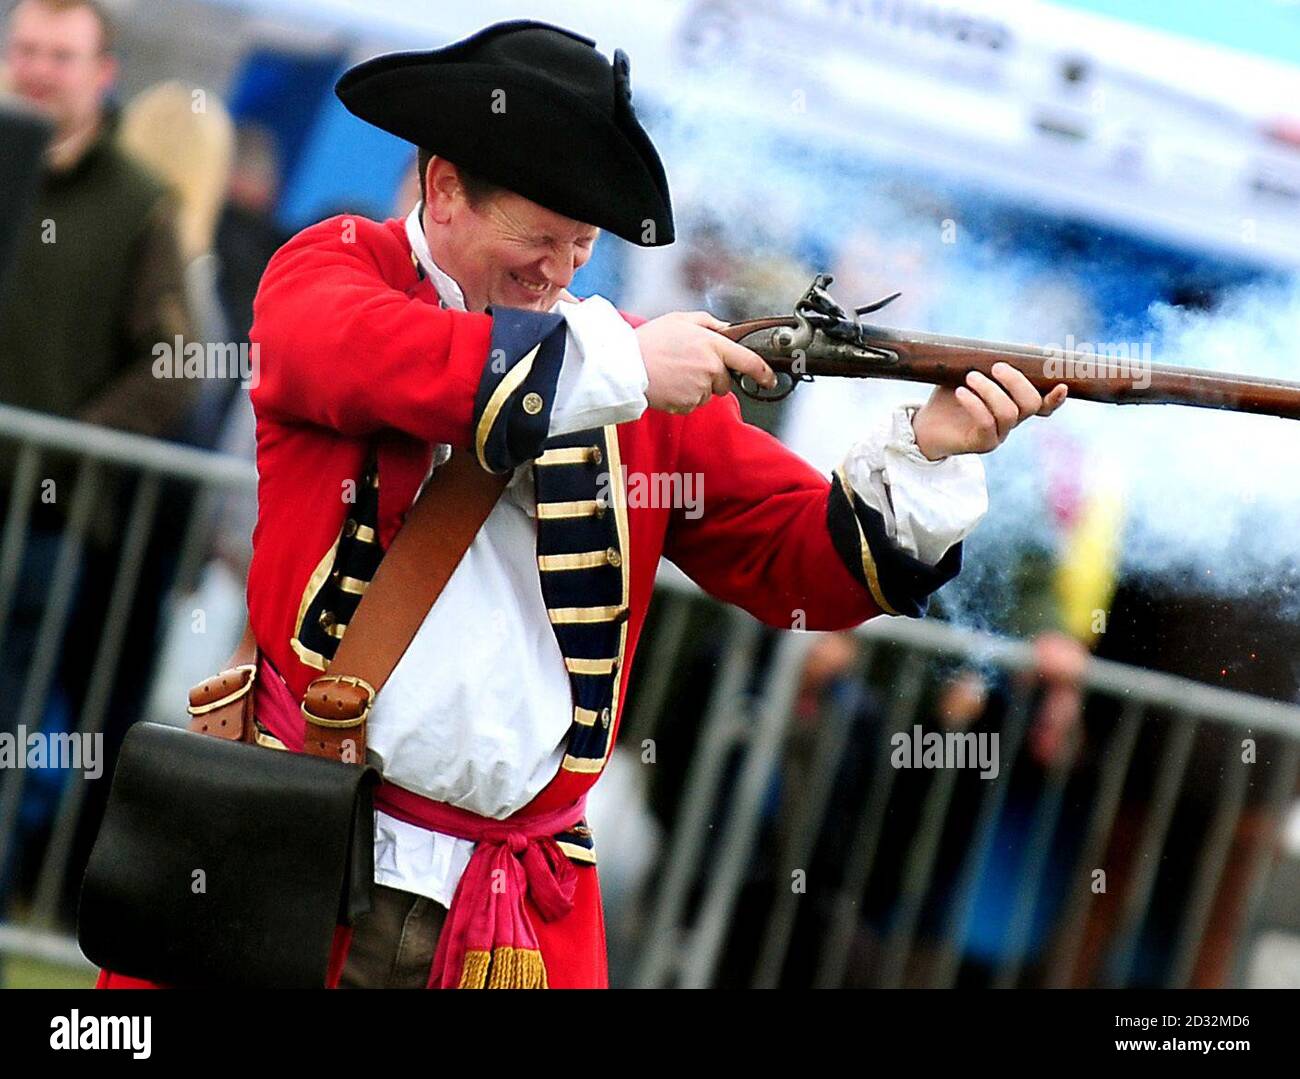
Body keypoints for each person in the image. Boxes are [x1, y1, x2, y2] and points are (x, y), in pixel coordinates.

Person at [95, 19, 1065, 990]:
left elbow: (800, 563)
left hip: (507, 908)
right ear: (442, 189)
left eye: (580, 244)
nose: (560, 272)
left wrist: (928, 455)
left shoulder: (620, 367)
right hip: (293, 848)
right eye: (538, 238)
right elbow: (361, 356)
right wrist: (618, 365)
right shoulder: (344, 267)